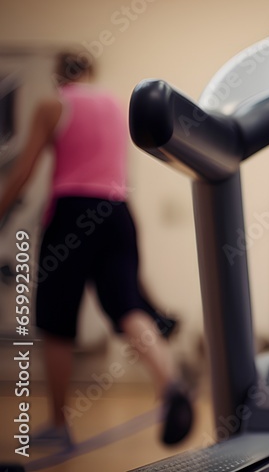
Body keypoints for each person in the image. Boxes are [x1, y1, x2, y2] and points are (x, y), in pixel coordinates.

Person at [0, 51, 193, 449]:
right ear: (92, 72)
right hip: (118, 212)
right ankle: (171, 385)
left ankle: (58, 423)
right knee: (127, 305)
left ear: (58, 76)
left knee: (56, 321)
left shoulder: (53, 104)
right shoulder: (116, 104)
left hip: (73, 213)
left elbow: (24, 170)